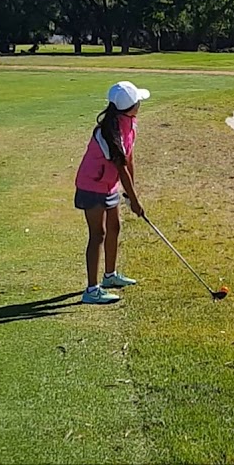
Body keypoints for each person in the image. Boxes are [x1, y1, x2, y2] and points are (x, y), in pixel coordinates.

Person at [74, 81, 150, 305]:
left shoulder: (130, 124)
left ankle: (110, 276)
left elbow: (129, 159)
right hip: (92, 185)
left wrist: (130, 193)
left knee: (114, 227)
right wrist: (135, 201)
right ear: (131, 106)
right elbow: (121, 167)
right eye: (138, 101)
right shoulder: (108, 132)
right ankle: (91, 290)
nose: (140, 104)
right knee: (98, 234)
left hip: (109, 184)